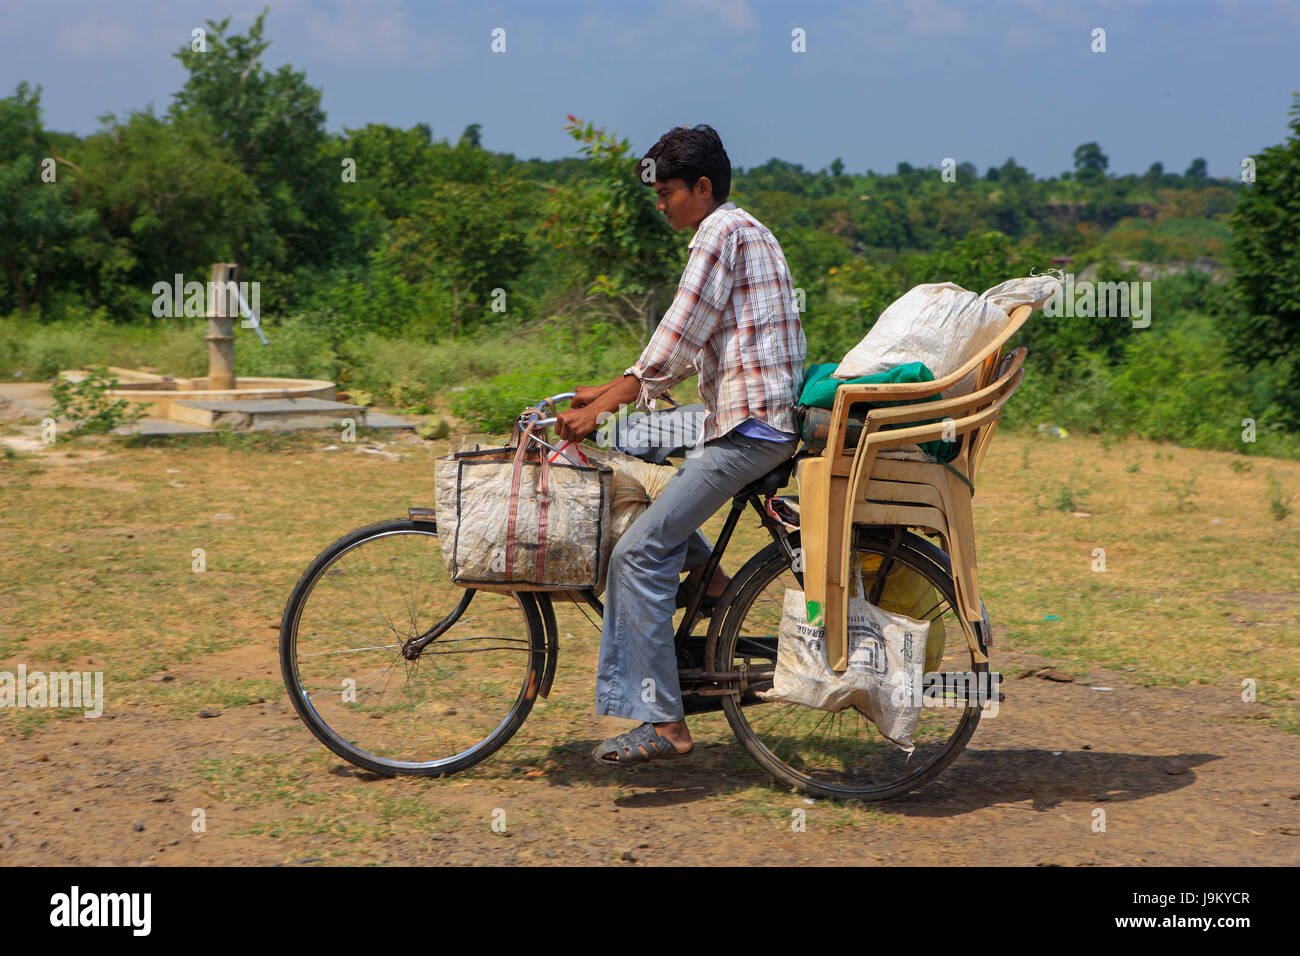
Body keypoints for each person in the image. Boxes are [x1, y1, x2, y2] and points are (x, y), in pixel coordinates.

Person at [553, 124, 806, 767]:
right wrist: (611, 395)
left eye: (667, 192)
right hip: (742, 416)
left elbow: (680, 331)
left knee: (635, 556)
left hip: (749, 429)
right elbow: (687, 348)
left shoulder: (720, 232)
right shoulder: (746, 229)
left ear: (701, 187)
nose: (660, 204)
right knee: (627, 457)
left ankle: (663, 725)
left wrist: (612, 396)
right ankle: (711, 581)